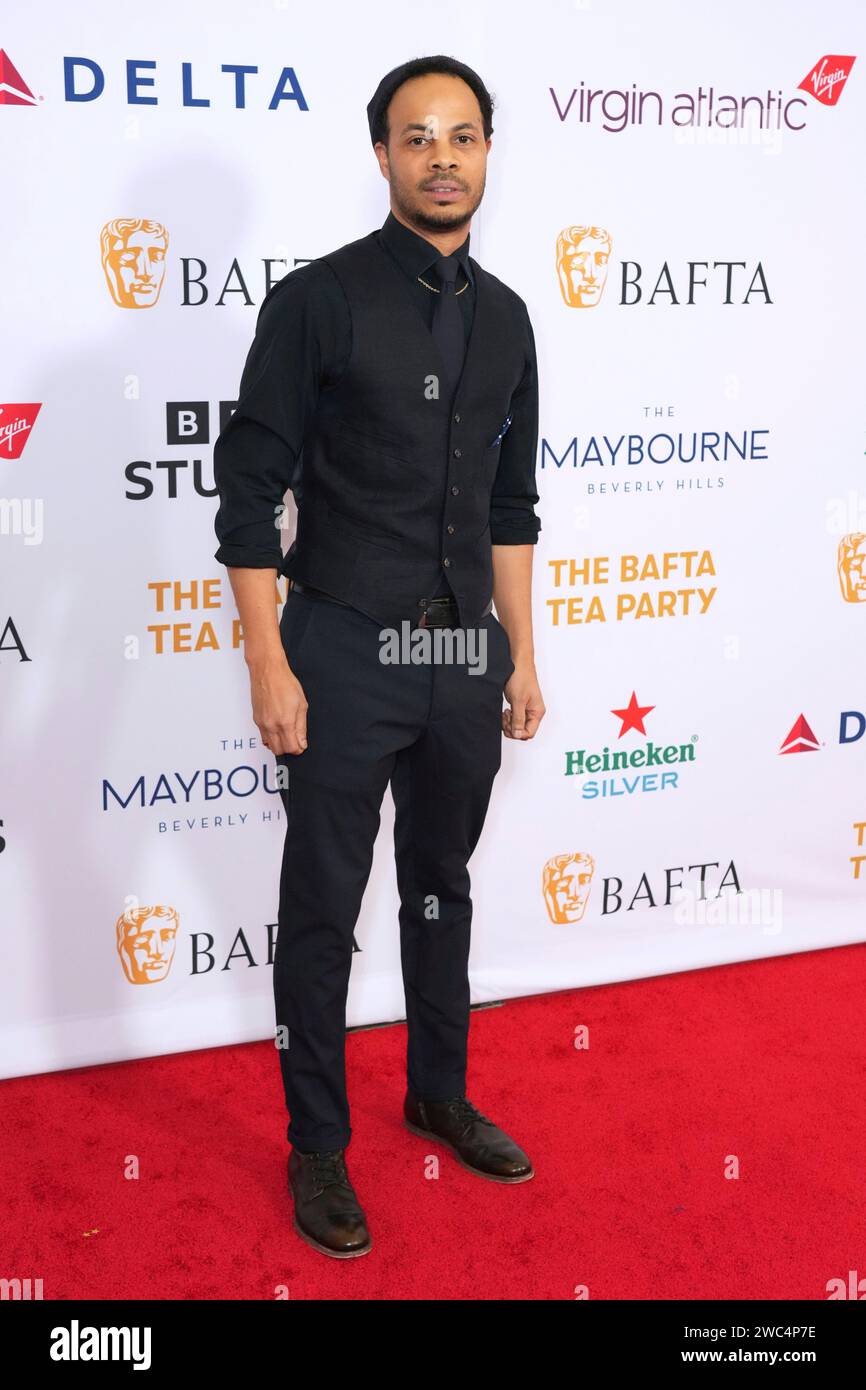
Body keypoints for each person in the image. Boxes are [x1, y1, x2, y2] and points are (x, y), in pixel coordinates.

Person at [213, 54, 546, 1259]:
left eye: (462, 136)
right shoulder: (319, 301)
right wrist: (267, 661)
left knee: (441, 885)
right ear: (381, 154)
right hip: (342, 646)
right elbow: (246, 499)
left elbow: (512, 505)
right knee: (321, 907)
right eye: (417, 137)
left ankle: (437, 1091)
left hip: (464, 652)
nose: (442, 157)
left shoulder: (507, 316)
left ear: (488, 152)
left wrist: (517, 652)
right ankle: (317, 1148)